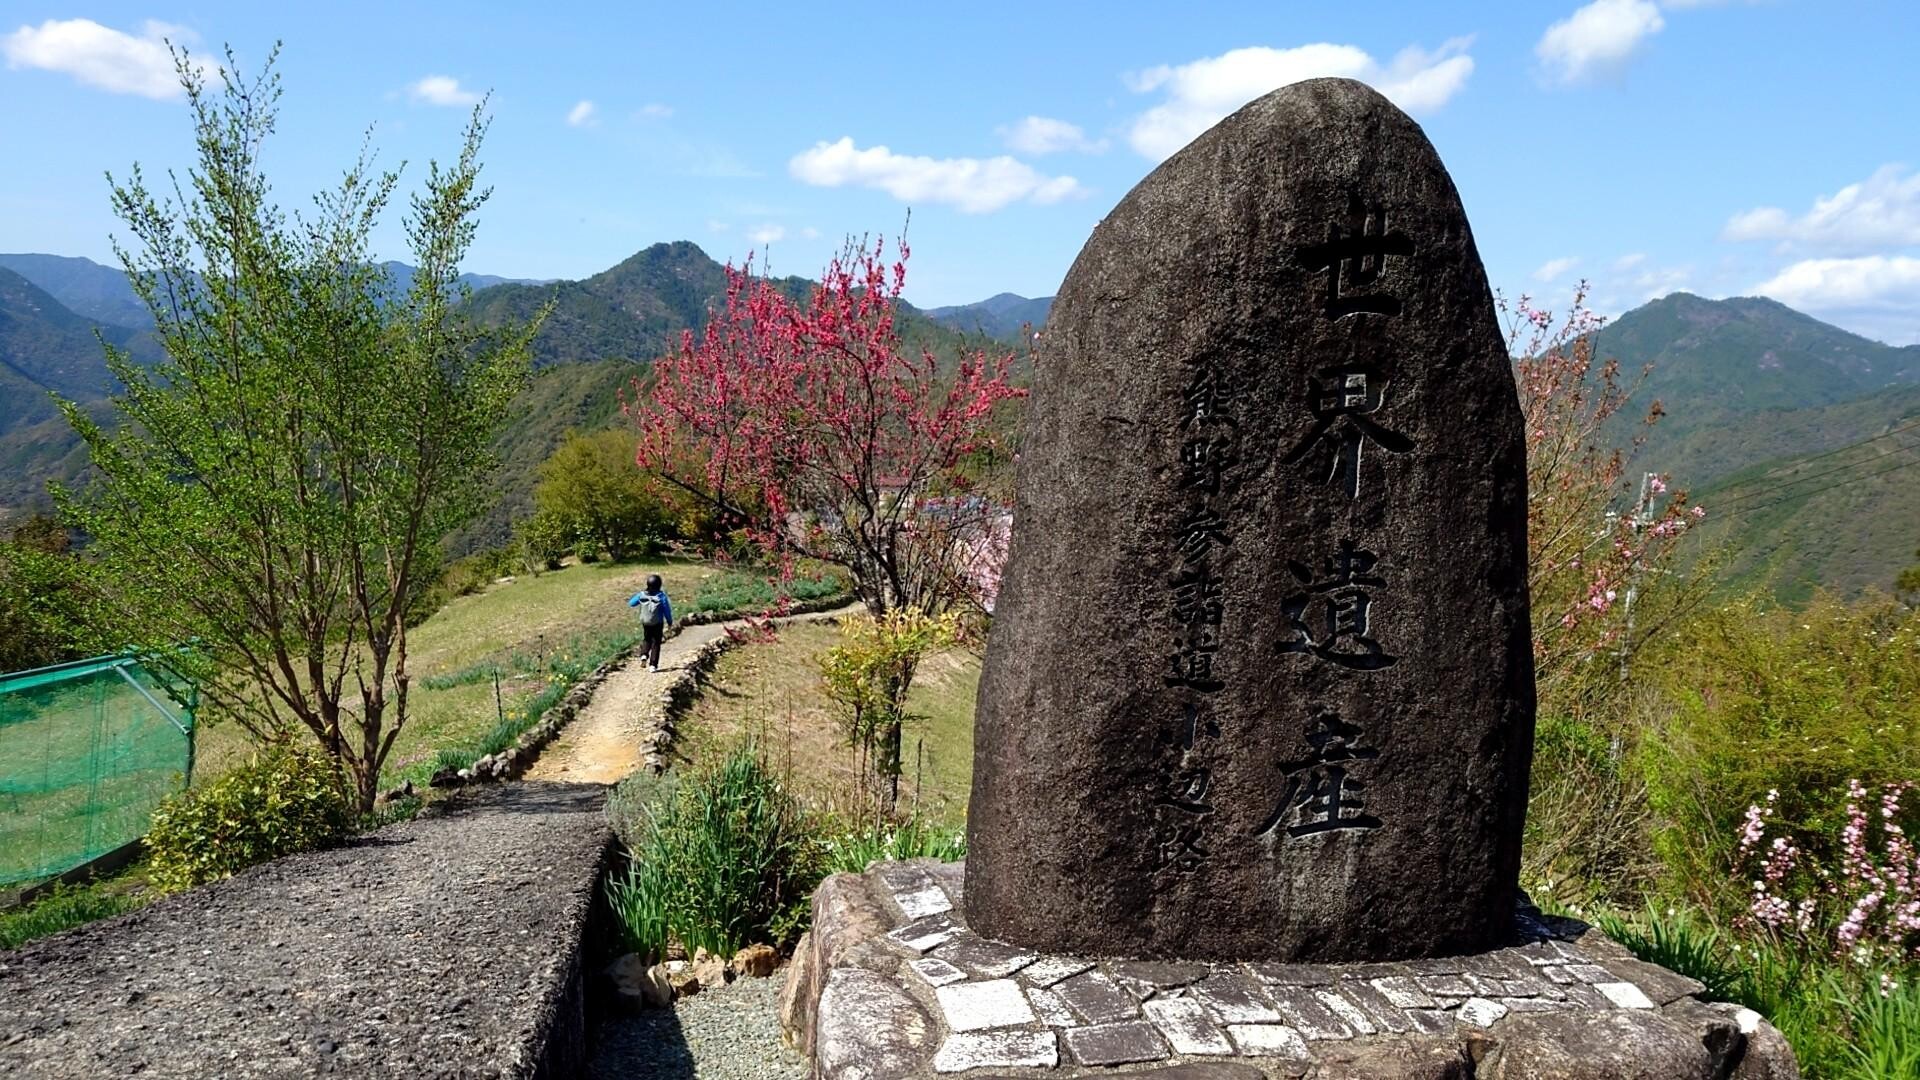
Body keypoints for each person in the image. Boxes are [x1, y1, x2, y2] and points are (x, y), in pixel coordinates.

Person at [627, 574, 674, 672]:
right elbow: (667, 610)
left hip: (645, 622)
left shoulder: (642, 594)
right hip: (657, 623)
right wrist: (669, 621)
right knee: (656, 642)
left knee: (647, 639)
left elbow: (631, 603)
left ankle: (644, 654)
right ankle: (653, 665)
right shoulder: (661, 596)